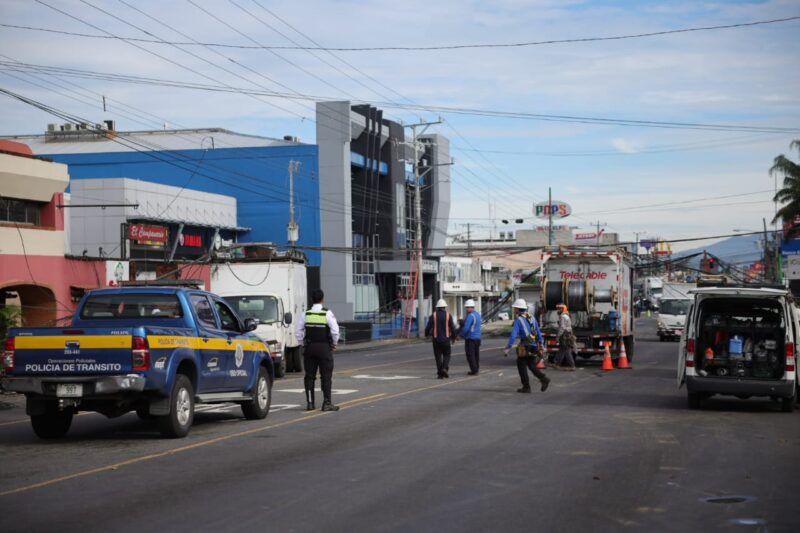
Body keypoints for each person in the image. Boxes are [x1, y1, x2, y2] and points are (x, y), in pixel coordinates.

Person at [295, 289, 340, 412]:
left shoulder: (306, 314)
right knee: (326, 376)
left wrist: (302, 343)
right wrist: (334, 344)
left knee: (309, 376)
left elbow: (298, 331)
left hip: (310, 348)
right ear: (323, 299)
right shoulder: (327, 313)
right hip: (324, 348)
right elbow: (335, 331)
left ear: (311, 299)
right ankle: (327, 403)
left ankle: (310, 403)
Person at [503, 299, 550, 393]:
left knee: (521, 365)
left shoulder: (518, 320)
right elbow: (538, 331)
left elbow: (513, 335)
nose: (514, 309)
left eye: (515, 308)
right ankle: (543, 378)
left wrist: (508, 347)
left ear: (518, 309)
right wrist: (541, 344)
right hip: (534, 345)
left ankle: (526, 387)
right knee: (531, 365)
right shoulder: (531, 317)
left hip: (525, 346)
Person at [425, 299, 457, 379]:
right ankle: (444, 368)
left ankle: (440, 374)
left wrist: (426, 334)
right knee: (447, 355)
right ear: (444, 307)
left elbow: (428, 327)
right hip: (446, 340)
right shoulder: (448, 315)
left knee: (438, 357)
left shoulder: (433, 315)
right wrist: (454, 337)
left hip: (436, 340)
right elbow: (452, 328)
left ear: (437, 307)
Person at [458, 299, 481, 375]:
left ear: (472, 307)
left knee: (470, 355)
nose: (466, 309)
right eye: (466, 307)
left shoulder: (470, 316)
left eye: (468, 307)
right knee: (476, 354)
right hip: (477, 338)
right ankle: (476, 368)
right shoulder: (477, 315)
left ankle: (474, 370)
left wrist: (460, 335)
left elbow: (466, 328)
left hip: (470, 338)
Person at [553, 303, 577, 371]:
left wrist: (558, 336)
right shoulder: (566, 316)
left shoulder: (562, 316)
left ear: (563, 309)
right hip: (567, 334)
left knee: (566, 350)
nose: (558, 310)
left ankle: (572, 365)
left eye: (559, 309)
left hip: (564, 335)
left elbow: (562, 328)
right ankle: (557, 364)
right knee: (562, 349)